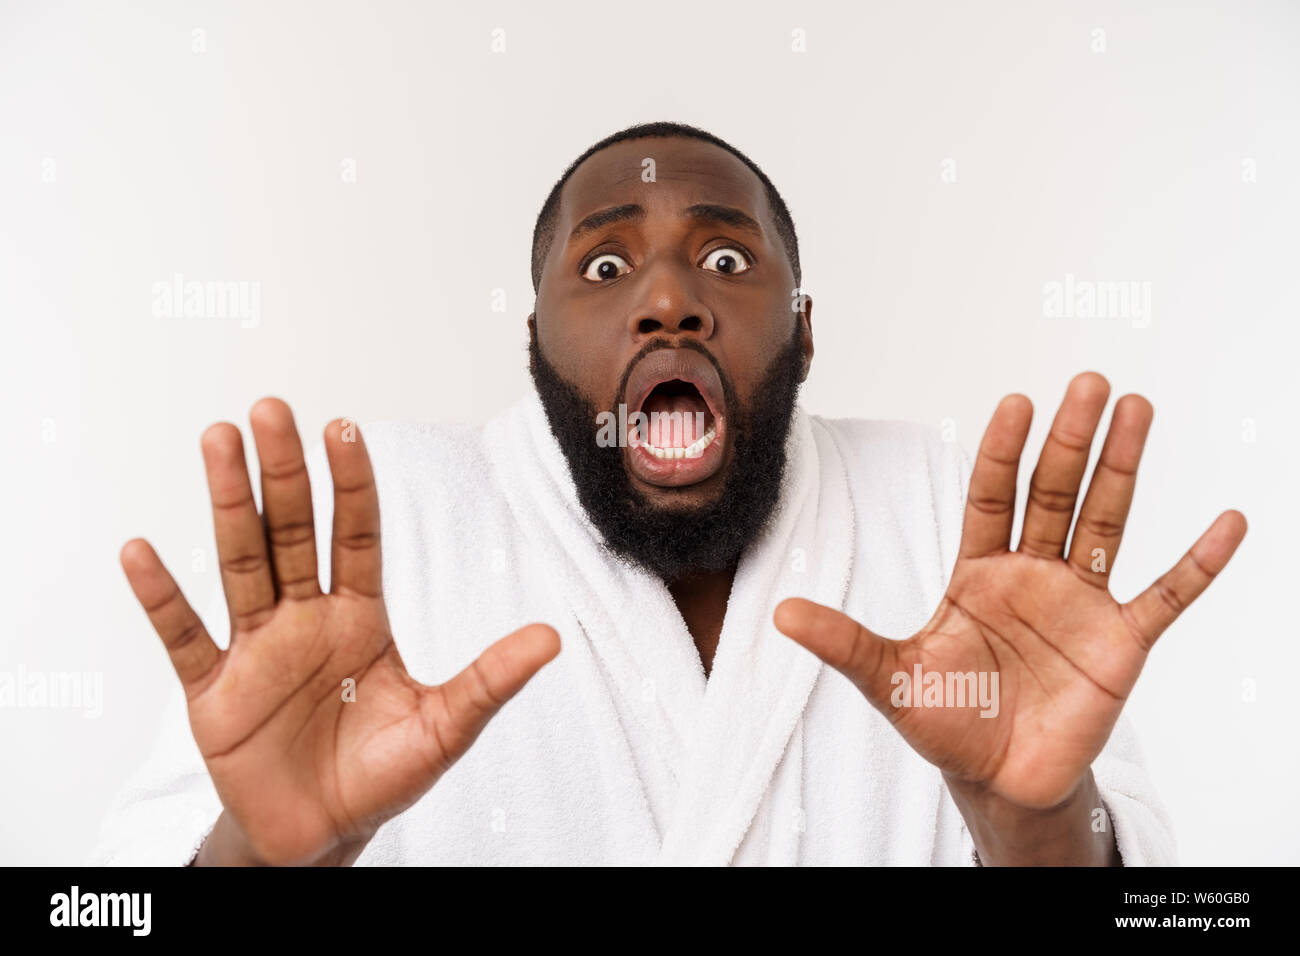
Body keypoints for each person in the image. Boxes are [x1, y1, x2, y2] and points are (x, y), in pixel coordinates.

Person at [95, 121, 1246, 866]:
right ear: (536, 337)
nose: (666, 300)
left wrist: (1043, 827)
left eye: (727, 259)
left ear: (804, 332)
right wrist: (252, 855)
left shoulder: (942, 522)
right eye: (604, 266)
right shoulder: (384, 539)